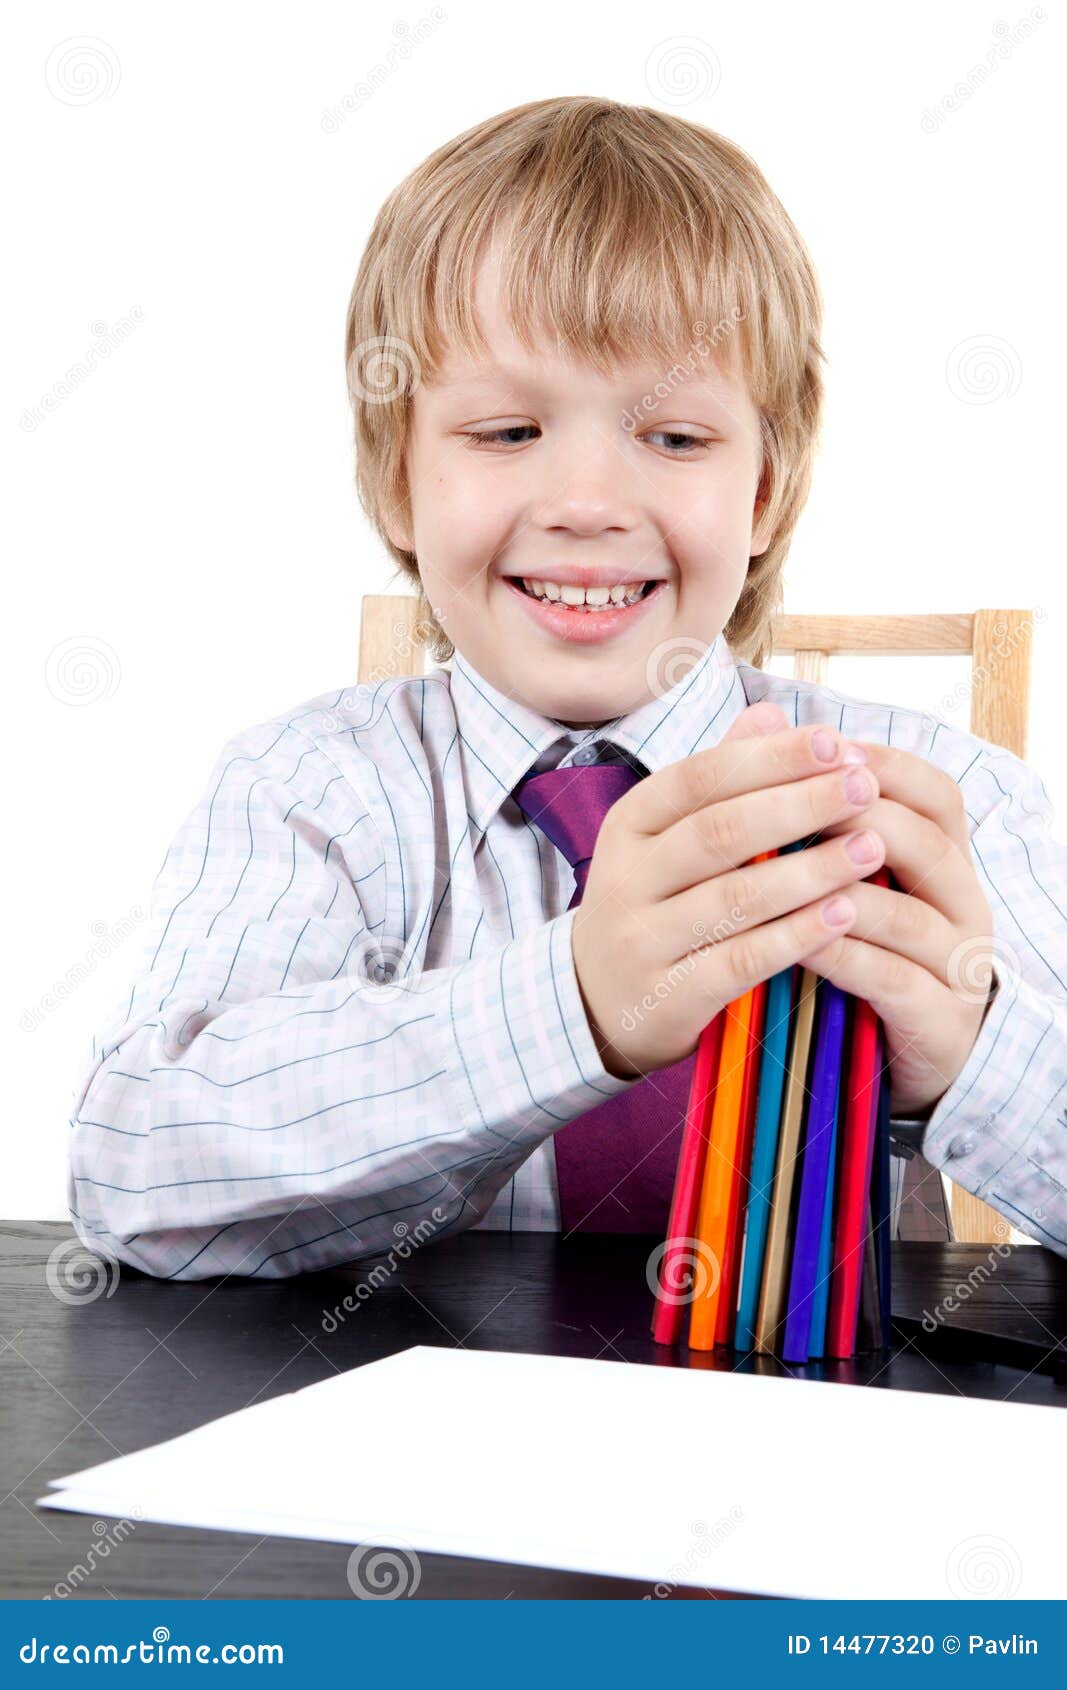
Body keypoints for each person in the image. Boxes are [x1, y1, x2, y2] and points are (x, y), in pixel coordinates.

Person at [68, 96, 1066, 1280]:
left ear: (762, 494)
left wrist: (968, 1055)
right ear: (397, 481)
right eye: (504, 431)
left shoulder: (937, 799)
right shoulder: (314, 789)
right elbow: (133, 1173)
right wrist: (572, 1004)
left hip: (828, 1431)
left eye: (676, 440)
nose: (586, 501)